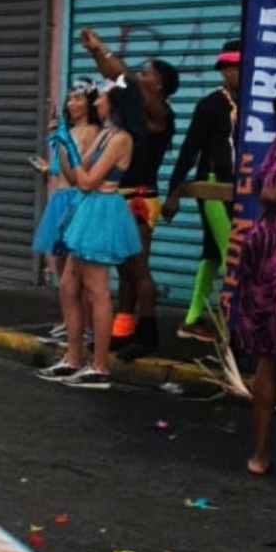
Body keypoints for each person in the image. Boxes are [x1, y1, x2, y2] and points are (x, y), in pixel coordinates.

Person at [79, 27, 179, 358]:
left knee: (138, 268)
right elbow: (120, 79)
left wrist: (102, 49)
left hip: (139, 197)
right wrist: (97, 55)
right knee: (124, 268)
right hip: (123, 194)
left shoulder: (161, 113)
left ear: (159, 84)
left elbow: (126, 78)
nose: (140, 75)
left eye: (147, 73)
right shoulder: (138, 106)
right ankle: (123, 330)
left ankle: (148, 335)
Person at [40, 81, 140, 390]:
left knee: (97, 290)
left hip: (101, 210)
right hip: (86, 208)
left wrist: (71, 152)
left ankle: (100, 366)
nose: (97, 103)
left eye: (103, 98)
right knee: (69, 286)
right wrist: (63, 145)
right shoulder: (106, 135)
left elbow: (89, 181)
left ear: (115, 104)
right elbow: (74, 175)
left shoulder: (121, 139)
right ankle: (73, 357)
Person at [230, 66, 276, 476]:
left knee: (269, 358)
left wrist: (275, 193)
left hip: (266, 246)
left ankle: (259, 454)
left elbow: (262, 187)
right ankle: (257, 452)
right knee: (272, 356)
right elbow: (270, 190)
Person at [160, 46, 240, 343]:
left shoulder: (252, 103)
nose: (237, 73)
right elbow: (189, 148)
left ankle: (192, 319)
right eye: (231, 68)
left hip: (238, 189)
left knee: (212, 255)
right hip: (213, 186)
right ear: (222, 70)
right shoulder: (211, 105)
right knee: (235, 255)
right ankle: (235, 328)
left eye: (241, 67)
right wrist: (174, 191)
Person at [31, 80, 99, 326]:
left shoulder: (91, 132)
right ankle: (70, 321)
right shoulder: (68, 132)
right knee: (60, 266)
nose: (72, 103)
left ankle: (85, 324)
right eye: (70, 98)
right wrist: (49, 166)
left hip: (75, 200)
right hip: (60, 198)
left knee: (77, 271)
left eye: (78, 98)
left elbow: (81, 171)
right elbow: (64, 169)